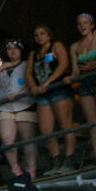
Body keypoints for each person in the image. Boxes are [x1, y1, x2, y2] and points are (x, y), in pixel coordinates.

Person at [0, 37, 40, 180]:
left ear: (21, 50)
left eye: (16, 48)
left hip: (25, 104)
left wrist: (19, 94)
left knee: (28, 139)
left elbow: (34, 81)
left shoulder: (27, 63)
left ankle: (31, 171)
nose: (13, 51)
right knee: (7, 139)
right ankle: (17, 171)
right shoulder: (3, 66)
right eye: (9, 49)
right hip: (4, 106)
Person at [27, 23, 76, 174]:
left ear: (49, 34)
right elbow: (28, 72)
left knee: (65, 124)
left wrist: (48, 82)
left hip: (58, 88)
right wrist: (33, 86)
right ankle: (57, 159)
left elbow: (63, 64)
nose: (39, 37)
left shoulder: (56, 45)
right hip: (43, 93)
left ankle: (69, 159)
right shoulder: (33, 53)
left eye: (42, 33)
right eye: (36, 35)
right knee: (46, 129)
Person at [64, 12, 96, 165]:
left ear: (92, 25)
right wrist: (70, 77)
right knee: (92, 122)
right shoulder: (75, 46)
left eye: (85, 23)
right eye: (80, 24)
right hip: (85, 81)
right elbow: (76, 70)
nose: (82, 26)